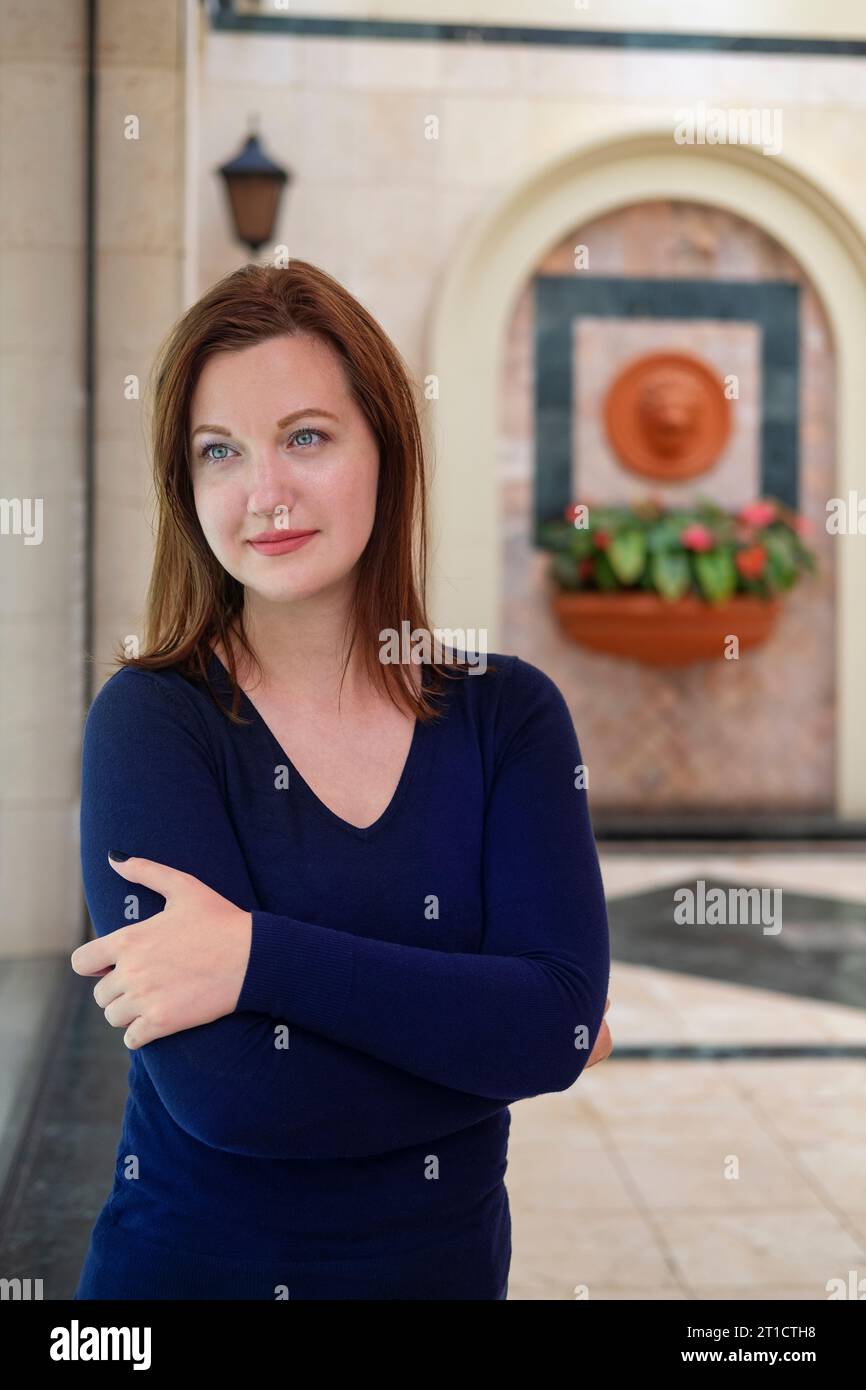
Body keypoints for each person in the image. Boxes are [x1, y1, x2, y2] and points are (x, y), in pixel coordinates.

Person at [71, 259, 612, 1301]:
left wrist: (255, 957)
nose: (263, 493)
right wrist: (503, 1036)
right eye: (218, 452)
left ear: (385, 449)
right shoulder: (150, 721)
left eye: (306, 437)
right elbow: (237, 1098)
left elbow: (551, 1024)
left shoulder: (509, 716)